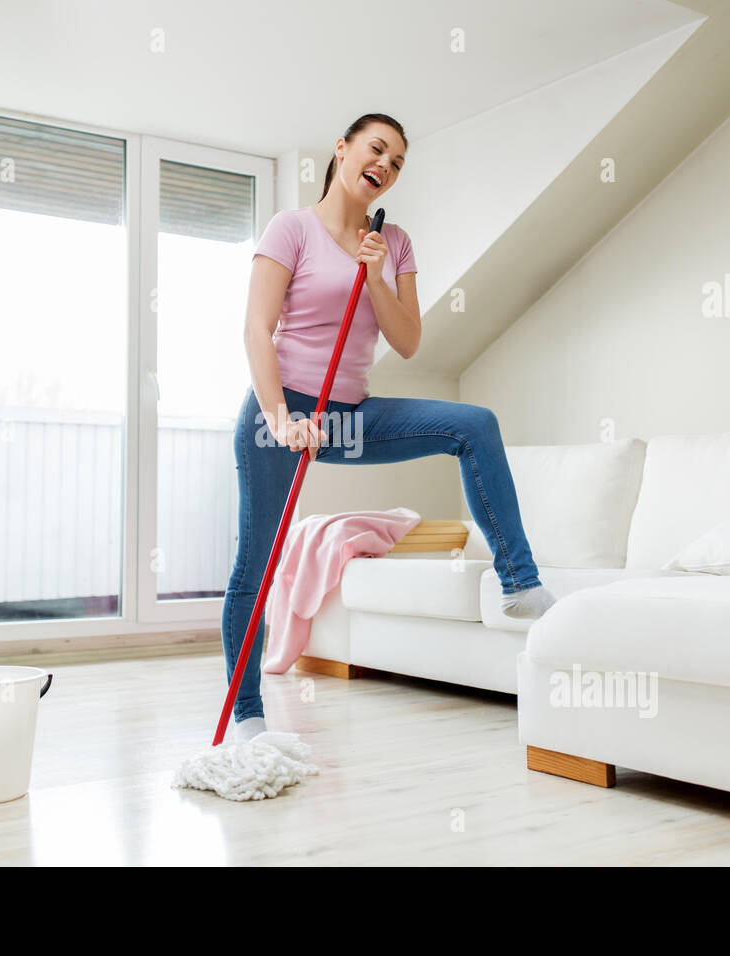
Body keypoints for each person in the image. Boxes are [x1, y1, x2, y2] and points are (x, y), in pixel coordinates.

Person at [223, 112, 555, 739]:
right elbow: (256, 330)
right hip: (282, 413)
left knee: (474, 425)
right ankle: (248, 716)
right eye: (377, 150)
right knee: (254, 565)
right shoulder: (291, 228)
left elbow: (406, 342)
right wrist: (281, 418)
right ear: (342, 150)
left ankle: (520, 583)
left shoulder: (394, 241)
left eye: (398, 162)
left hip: (349, 418)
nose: (386, 166)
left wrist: (373, 275)